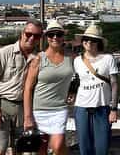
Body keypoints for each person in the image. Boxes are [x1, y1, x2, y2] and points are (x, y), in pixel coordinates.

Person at [0, 19, 43, 155]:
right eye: (29, 34)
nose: (31, 38)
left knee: (21, 149)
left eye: (36, 36)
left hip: (24, 109)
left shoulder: (38, 58)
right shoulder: (5, 53)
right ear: (22, 34)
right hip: (3, 106)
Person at [23, 20, 75, 155]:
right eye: (51, 35)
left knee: (57, 146)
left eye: (59, 34)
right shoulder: (38, 59)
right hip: (39, 110)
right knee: (41, 150)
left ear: (63, 36)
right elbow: (28, 88)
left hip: (59, 109)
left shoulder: (71, 57)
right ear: (47, 37)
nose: (55, 38)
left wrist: (73, 91)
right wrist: (28, 116)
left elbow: (81, 76)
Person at [73, 25, 119, 155]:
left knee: (101, 148)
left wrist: (114, 109)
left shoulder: (108, 59)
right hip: (81, 108)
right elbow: (77, 82)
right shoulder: (77, 61)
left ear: (98, 42)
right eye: (86, 39)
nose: (88, 42)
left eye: (92, 40)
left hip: (102, 108)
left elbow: (115, 84)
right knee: (84, 149)